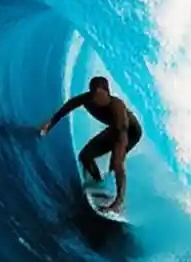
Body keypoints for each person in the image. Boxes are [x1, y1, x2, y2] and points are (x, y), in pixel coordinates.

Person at [39, 76, 142, 212]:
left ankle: (119, 201)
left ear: (107, 92)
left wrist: (117, 157)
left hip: (129, 131)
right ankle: (98, 183)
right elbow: (68, 106)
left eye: (99, 94)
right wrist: (49, 124)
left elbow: (121, 136)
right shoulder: (87, 99)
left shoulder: (117, 107)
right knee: (85, 156)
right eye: (93, 93)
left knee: (116, 163)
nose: (96, 98)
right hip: (113, 129)